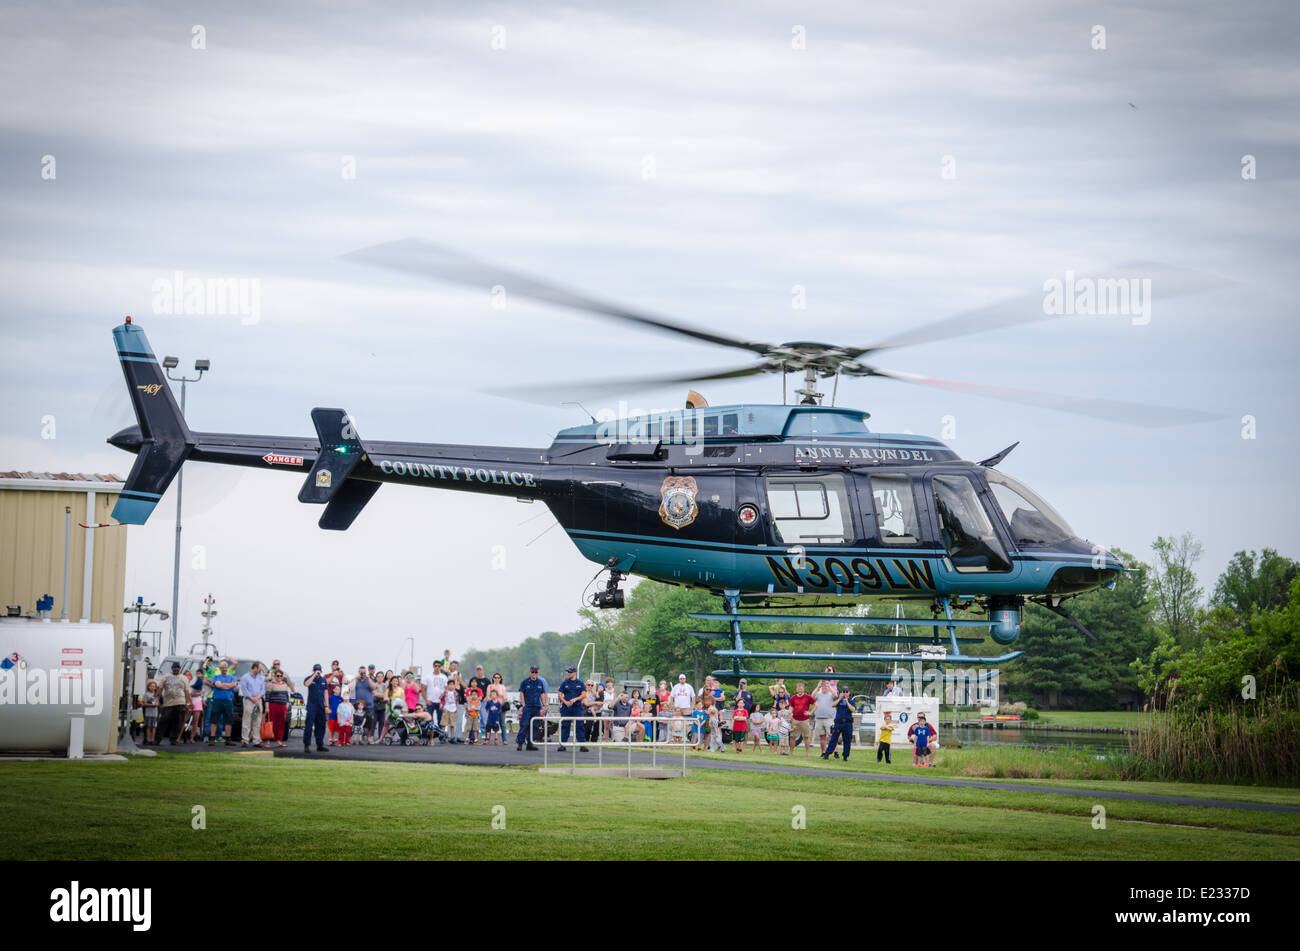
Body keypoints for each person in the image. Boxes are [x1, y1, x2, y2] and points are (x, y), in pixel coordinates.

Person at [516, 665, 549, 751]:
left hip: (536, 707)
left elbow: (542, 694)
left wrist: (544, 704)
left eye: (536, 672)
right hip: (527, 707)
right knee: (524, 725)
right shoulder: (525, 682)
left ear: (538, 673)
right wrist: (523, 705)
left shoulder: (540, 682)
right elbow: (521, 693)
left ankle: (530, 743)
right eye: (532, 672)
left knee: (535, 726)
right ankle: (520, 743)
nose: (534, 673)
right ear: (530, 672)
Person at [556, 666, 588, 752]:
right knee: (565, 725)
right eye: (568, 672)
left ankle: (582, 744)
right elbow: (559, 694)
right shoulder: (565, 683)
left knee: (580, 725)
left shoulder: (580, 683)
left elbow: (584, 694)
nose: (568, 673)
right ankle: (563, 744)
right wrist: (564, 701)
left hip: (577, 707)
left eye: (570, 672)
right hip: (566, 707)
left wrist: (575, 699)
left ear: (574, 673)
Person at [206, 661, 238, 746]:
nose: (224, 668)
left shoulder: (232, 677)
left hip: (228, 701)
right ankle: (212, 739)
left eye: (225, 667)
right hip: (217, 701)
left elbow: (234, 685)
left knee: (228, 720)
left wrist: (223, 685)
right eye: (222, 667)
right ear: (220, 668)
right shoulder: (216, 676)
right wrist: (228, 685)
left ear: (227, 668)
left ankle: (228, 739)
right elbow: (218, 685)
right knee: (214, 720)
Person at [158, 662, 189, 745]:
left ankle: (173, 739)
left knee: (178, 722)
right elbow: (160, 688)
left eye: (178, 667)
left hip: (180, 702)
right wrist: (157, 698)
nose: (176, 669)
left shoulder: (184, 678)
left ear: (179, 668)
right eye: (175, 667)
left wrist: (188, 702)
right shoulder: (165, 677)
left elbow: (187, 691)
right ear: (172, 668)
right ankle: (158, 738)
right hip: (168, 703)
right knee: (163, 721)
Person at [821, 687, 855, 761]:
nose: (845, 693)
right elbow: (833, 705)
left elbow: (853, 709)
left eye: (846, 691)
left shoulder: (851, 701)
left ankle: (845, 756)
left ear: (849, 693)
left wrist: (847, 702)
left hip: (847, 723)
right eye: (843, 691)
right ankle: (827, 754)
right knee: (833, 739)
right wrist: (839, 699)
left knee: (847, 740)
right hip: (838, 723)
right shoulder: (839, 700)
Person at [302, 664, 329, 753]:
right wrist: (314, 675)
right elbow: (306, 684)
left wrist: (326, 706)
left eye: (319, 671)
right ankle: (306, 745)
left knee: (321, 726)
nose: (318, 672)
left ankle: (320, 744)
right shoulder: (309, 678)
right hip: (312, 706)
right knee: (309, 726)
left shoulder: (323, 680)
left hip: (321, 706)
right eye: (316, 670)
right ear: (313, 670)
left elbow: (326, 693)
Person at [239, 661, 266, 747]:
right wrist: (252, 698)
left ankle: (256, 741)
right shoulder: (245, 677)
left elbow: (263, 689)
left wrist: (258, 698)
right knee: (247, 720)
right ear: (255, 668)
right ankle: (245, 740)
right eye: (260, 668)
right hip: (249, 701)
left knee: (257, 721)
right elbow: (244, 689)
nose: (261, 670)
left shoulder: (261, 678)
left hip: (258, 701)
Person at [265, 667, 291, 748]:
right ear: (274, 676)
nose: (279, 677)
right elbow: (267, 697)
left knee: (281, 724)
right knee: (272, 723)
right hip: (273, 706)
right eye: (277, 676)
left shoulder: (284, 685)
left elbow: (287, 697)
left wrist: (286, 706)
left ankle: (279, 741)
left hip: (282, 706)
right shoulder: (270, 684)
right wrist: (267, 708)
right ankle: (268, 740)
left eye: (280, 676)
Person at [811, 680, 837, 755]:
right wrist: (817, 686)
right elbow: (812, 696)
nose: (824, 687)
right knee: (822, 737)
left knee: (832, 736)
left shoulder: (831, 694)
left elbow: (836, 695)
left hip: (829, 718)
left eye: (826, 686)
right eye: (823, 686)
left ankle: (835, 752)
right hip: (819, 718)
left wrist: (830, 686)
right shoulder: (818, 694)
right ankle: (823, 752)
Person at [788, 682, 814, 756]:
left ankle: (807, 753)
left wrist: (810, 712)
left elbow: (816, 704)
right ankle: (791, 752)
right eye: (798, 688)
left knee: (806, 737)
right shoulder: (793, 698)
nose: (799, 689)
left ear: (803, 689)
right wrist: (790, 712)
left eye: (801, 688)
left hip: (805, 720)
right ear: (796, 689)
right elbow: (791, 707)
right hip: (795, 719)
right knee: (793, 736)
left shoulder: (808, 697)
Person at [141, 680, 160, 745]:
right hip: (148, 713)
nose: (153, 687)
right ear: (148, 687)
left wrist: (157, 704)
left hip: (155, 713)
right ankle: (148, 739)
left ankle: (153, 739)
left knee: (154, 726)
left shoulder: (156, 695)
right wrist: (152, 705)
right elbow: (144, 704)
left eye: (154, 686)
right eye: (151, 686)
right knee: (148, 726)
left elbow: (158, 703)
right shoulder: (146, 694)